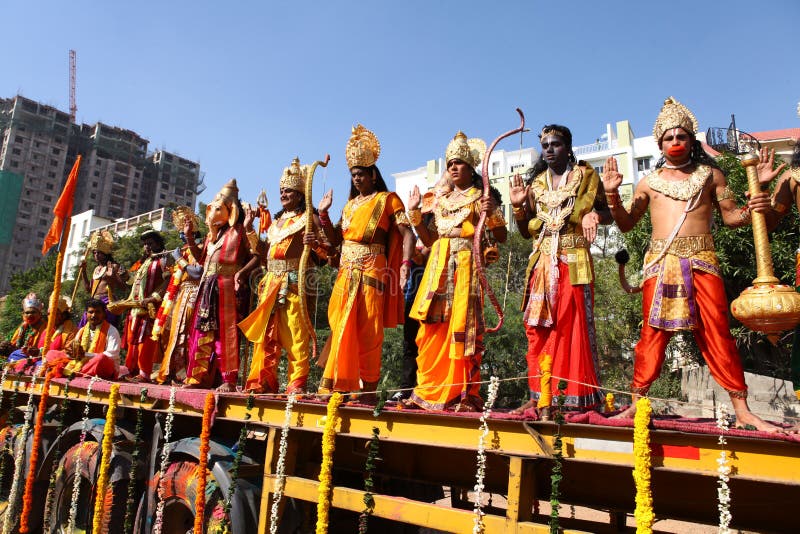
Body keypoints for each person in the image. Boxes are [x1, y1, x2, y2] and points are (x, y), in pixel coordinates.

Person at [602, 96, 778, 431]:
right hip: (660, 261)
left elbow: (732, 218)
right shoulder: (647, 182)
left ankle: (742, 409)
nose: (675, 142)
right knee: (652, 334)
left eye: (681, 136)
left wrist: (758, 198)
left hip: (702, 260)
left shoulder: (711, 176)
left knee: (717, 330)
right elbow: (626, 224)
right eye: (669, 138)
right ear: (660, 143)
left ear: (691, 140)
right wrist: (612, 195)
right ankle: (637, 403)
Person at [404, 131, 508, 412]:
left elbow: (501, 236)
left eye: (459, 162)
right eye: (450, 162)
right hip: (437, 264)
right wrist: (415, 214)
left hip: (465, 267)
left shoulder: (480, 198)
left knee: (463, 328)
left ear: (471, 167)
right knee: (430, 328)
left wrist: (494, 210)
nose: (453, 167)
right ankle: (427, 390)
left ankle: (462, 393)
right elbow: (428, 240)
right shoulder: (439, 200)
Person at [509, 125, 609, 414]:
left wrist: (593, 214)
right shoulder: (536, 184)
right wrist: (517, 208)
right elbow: (525, 230)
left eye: (555, 144)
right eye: (545, 145)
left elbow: (609, 213)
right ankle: (538, 393)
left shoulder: (586, 177)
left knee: (568, 326)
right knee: (536, 329)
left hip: (573, 258)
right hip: (541, 261)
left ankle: (568, 396)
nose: (549, 149)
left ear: (567, 147)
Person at [315, 125, 414, 400]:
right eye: (353, 175)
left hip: (373, 270)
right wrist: (323, 214)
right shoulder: (348, 205)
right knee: (340, 324)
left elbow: (408, 233)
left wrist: (405, 264)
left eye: (360, 174)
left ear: (372, 174)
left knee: (369, 331)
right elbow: (337, 239)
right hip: (346, 272)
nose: (356, 179)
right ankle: (336, 381)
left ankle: (368, 390)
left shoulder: (387, 200)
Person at [239, 158, 329, 394]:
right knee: (267, 336)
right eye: (281, 191)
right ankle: (263, 380)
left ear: (300, 194)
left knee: (295, 334)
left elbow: (325, 254)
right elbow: (262, 252)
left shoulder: (310, 218)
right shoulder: (277, 223)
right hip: (270, 283)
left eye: (288, 190)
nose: (283, 194)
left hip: (295, 282)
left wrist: (316, 243)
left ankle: (296, 383)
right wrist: (249, 228)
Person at [184, 179, 253, 392]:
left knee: (226, 334)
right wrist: (188, 237)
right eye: (213, 207)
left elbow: (258, 256)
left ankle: (228, 380)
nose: (213, 211)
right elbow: (202, 259)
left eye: (219, 208)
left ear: (230, 211)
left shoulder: (240, 232)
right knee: (201, 332)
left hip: (227, 287)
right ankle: (197, 377)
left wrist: (242, 273)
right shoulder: (211, 236)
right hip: (207, 286)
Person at [154, 207, 203, 384]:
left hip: (193, 293)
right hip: (180, 294)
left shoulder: (199, 247)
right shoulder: (184, 250)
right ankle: (170, 371)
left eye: (184, 231)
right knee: (172, 334)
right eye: (180, 231)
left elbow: (197, 272)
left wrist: (179, 260)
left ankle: (183, 373)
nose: (181, 235)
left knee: (185, 333)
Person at [121, 230, 171, 382]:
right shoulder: (144, 261)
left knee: (145, 341)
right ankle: (131, 370)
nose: (147, 247)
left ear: (159, 243)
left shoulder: (165, 259)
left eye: (150, 244)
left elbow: (168, 282)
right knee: (132, 341)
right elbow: (134, 281)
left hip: (150, 308)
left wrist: (153, 298)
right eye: (145, 244)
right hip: (135, 307)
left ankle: (144, 374)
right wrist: (124, 276)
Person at [47, 299, 121, 380]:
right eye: (91, 312)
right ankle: (79, 372)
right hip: (82, 362)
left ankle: (73, 372)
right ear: (86, 314)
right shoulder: (82, 330)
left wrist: (86, 355)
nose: (94, 315)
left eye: (98, 312)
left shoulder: (112, 331)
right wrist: (72, 352)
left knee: (101, 359)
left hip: (102, 366)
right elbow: (75, 352)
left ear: (104, 314)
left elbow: (112, 355)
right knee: (51, 354)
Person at [78, 230, 128, 327]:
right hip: (93, 302)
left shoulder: (114, 266)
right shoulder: (96, 269)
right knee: (84, 325)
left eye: (98, 253)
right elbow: (88, 289)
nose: (96, 255)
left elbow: (124, 287)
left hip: (106, 302)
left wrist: (113, 276)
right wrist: (83, 271)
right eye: (94, 253)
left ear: (105, 253)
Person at [2, 293, 47, 368]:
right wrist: (7, 347)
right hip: (19, 356)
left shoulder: (46, 328)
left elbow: (47, 349)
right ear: (23, 314)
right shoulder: (22, 327)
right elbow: (15, 344)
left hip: (37, 359)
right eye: (27, 313)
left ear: (40, 314)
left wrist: (37, 352)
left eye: (33, 312)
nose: (30, 315)